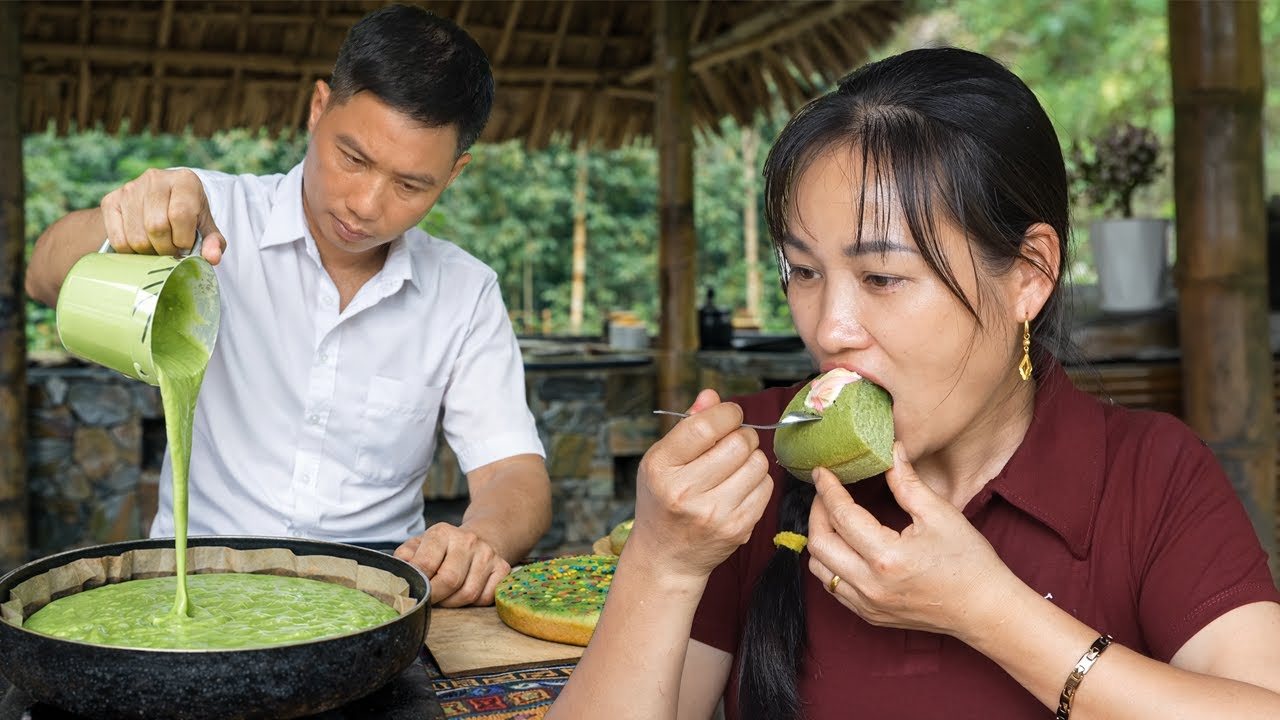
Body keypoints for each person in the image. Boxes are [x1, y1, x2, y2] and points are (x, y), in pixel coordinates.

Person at [546, 47, 1280, 719]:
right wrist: (661, 563)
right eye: (803, 272)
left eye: (883, 277)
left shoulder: (1149, 474)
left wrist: (988, 612)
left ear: (1030, 274)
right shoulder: (746, 472)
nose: (829, 328)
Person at [24, 5, 551, 608]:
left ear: (454, 174)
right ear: (318, 108)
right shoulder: (205, 214)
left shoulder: (465, 290)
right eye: (352, 158)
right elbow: (43, 275)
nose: (365, 204)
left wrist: (479, 540)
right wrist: (123, 219)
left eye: (410, 185)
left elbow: (514, 473)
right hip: (194, 584)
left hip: (376, 601)